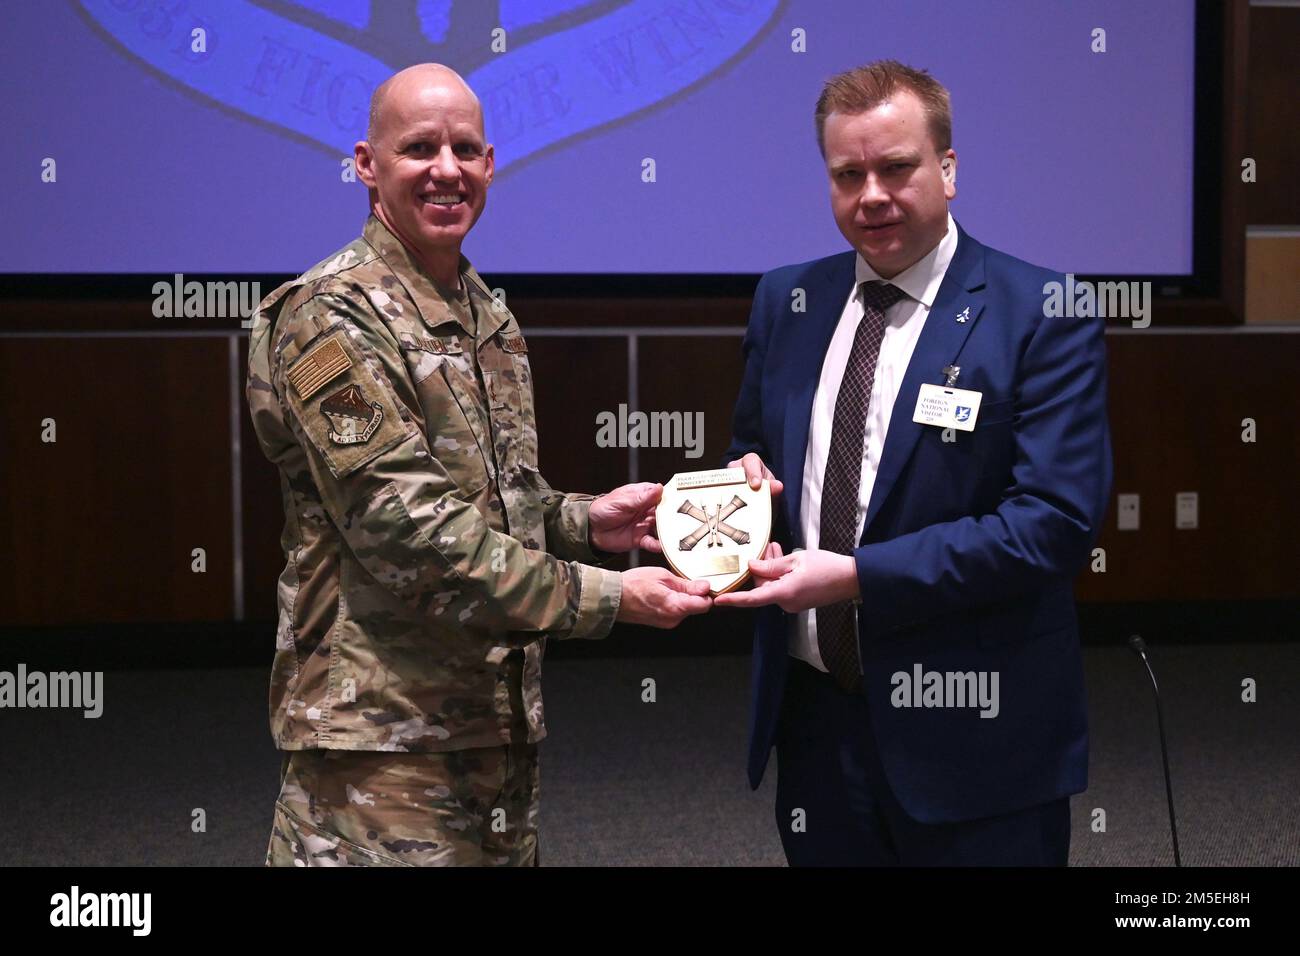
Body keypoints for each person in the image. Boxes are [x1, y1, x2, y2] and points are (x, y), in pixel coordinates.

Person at [245, 63, 711, 867]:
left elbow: (498, 504)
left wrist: (585, 522)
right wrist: (609, 598)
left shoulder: (486, 313)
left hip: (492, 734)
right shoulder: (328, 317)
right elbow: (411, 535)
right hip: (378, 756)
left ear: (491, 165)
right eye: (419, 148)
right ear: (367, 165)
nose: (447, 170)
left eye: (466, 149)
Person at [715, 61, 1112, 866]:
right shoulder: (787, 301)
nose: (872, 195)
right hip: (818, 727)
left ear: (949, 169)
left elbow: (1053, 526)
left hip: (978, 740)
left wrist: (859, 574)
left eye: (897, 167)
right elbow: (749, 451)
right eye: (847, 174)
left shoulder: (1041, 312)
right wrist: (742, 490)